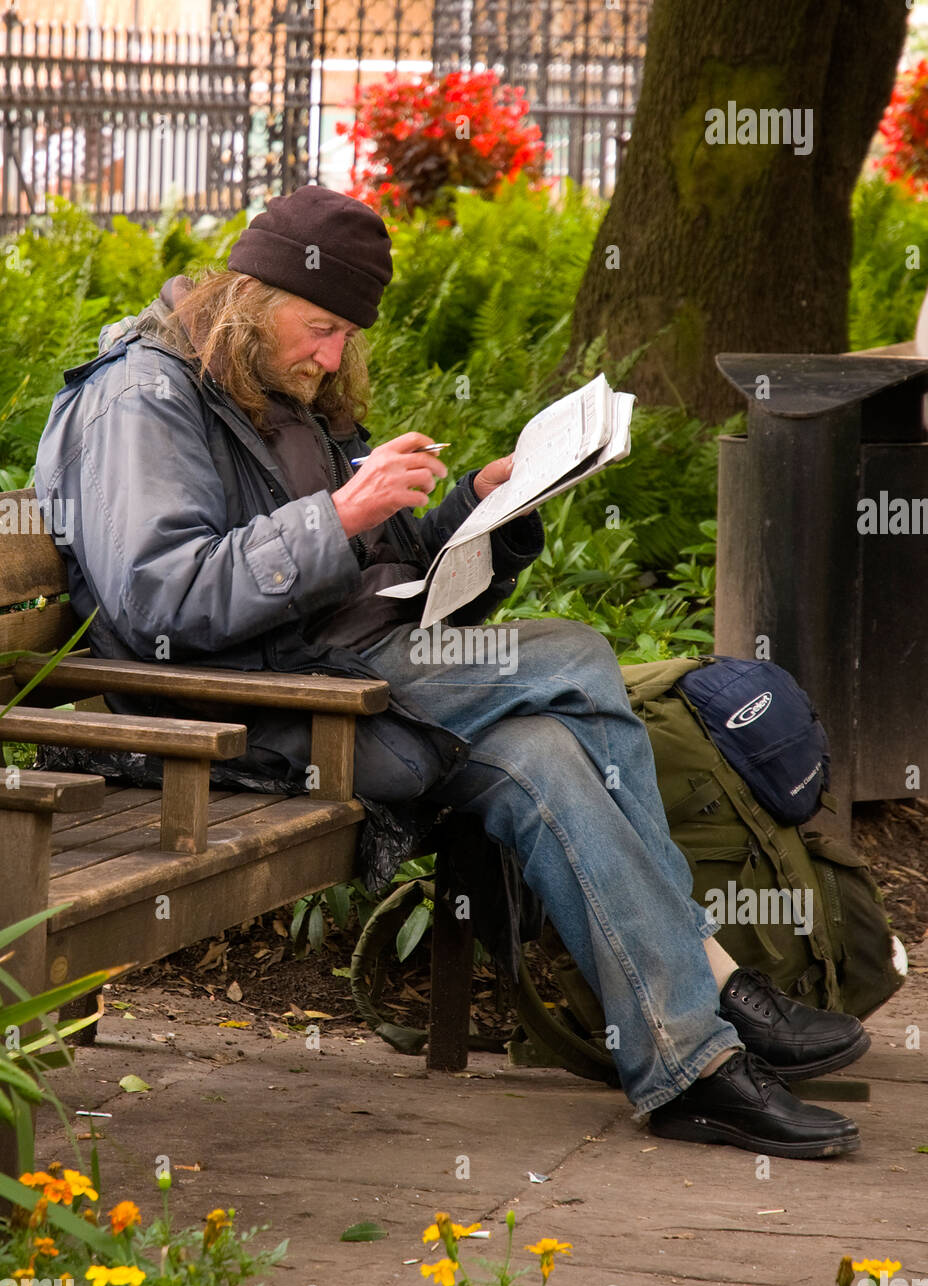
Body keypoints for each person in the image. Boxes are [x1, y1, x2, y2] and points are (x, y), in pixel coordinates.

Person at [34, 186, 870, 1159]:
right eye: (320, 327)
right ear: (250, 296)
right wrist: (338, 517)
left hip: (338, 671)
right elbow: (161, 599)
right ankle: (713, 977)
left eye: (349, 334)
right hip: (242, 709)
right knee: (572, 654)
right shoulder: (148, 394)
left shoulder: (276, 384)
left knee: (553, 754)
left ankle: (690, 1065)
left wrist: (479, 506)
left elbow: (373, 565)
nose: (333, 355)